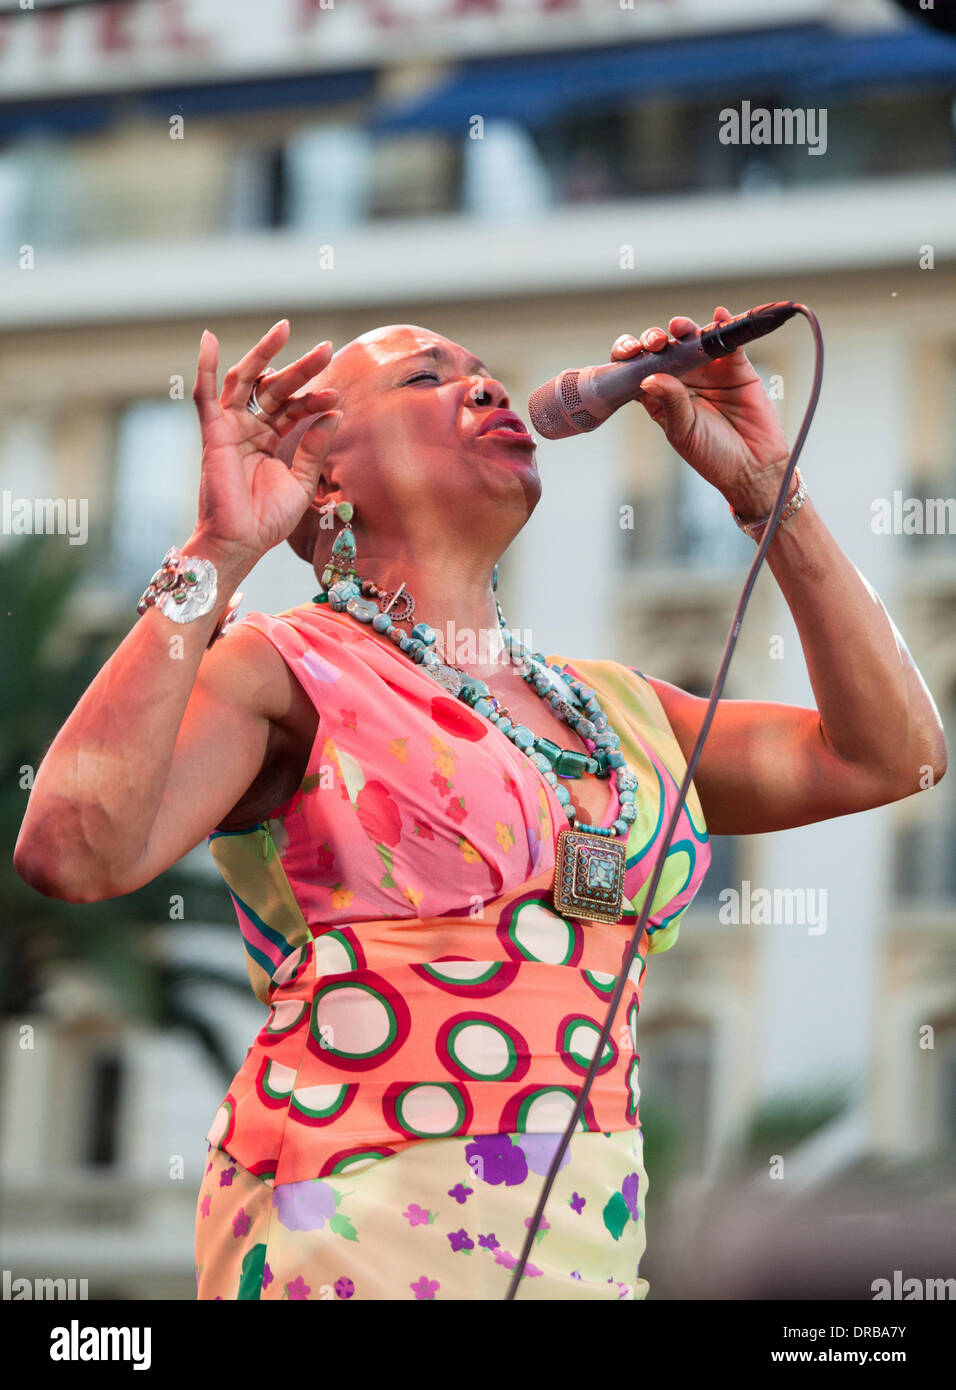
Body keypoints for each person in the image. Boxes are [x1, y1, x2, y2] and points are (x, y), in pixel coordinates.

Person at [14, 312, 947, 1301]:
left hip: (584, 1250)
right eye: (427, 378)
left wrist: (771, 498)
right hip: (343, 1240)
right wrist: (218, 547)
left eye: (486, 373)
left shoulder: (621, 710)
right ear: (328, 476)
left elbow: (890, 756)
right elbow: (73, 852)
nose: (483, 387)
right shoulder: (285, 667)